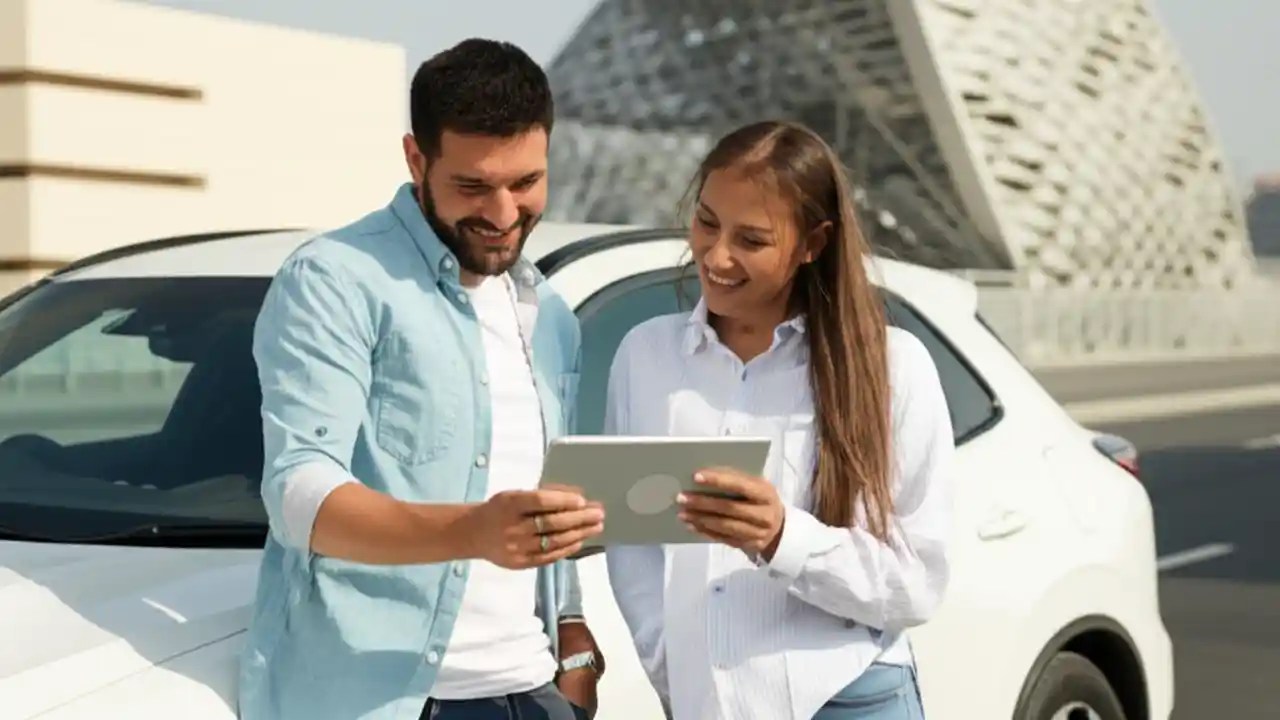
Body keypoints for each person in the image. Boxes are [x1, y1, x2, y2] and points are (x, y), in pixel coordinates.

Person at [238, 39, 606, 720]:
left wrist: (574, 629)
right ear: (416, 159)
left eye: (525, 183)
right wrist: (472, 530)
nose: (502, 214)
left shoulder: (549, 313)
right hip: (390, 700)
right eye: (472, 187)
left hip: (532, 689)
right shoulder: (336, 279)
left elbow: (548, 497)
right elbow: (298, 493)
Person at [603, 120, 955, 720]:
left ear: (813, 243)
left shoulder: (893, 367)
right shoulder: (645, 356)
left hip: (850, 700)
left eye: (752, 240)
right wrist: (674, 667)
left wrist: (780, 538)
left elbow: (917, 582)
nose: (717, 256)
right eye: (707, 222)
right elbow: (631, 544)